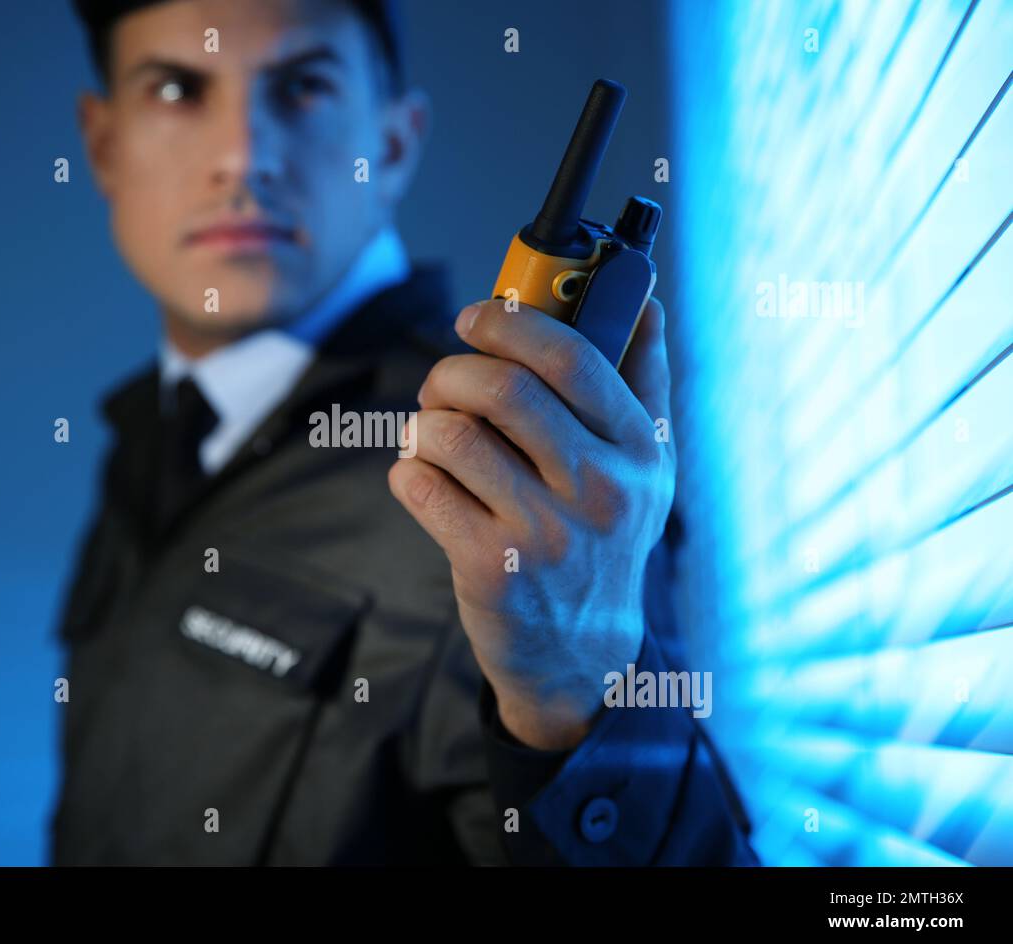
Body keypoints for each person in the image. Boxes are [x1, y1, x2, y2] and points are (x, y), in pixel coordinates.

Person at [55, 0, 758, 865]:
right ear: (103, 145)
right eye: (175, 88)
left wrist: (581, 693)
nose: (241, 157)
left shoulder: (525, 475)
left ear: (392, 143)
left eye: (303, 86)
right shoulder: (151, 442)